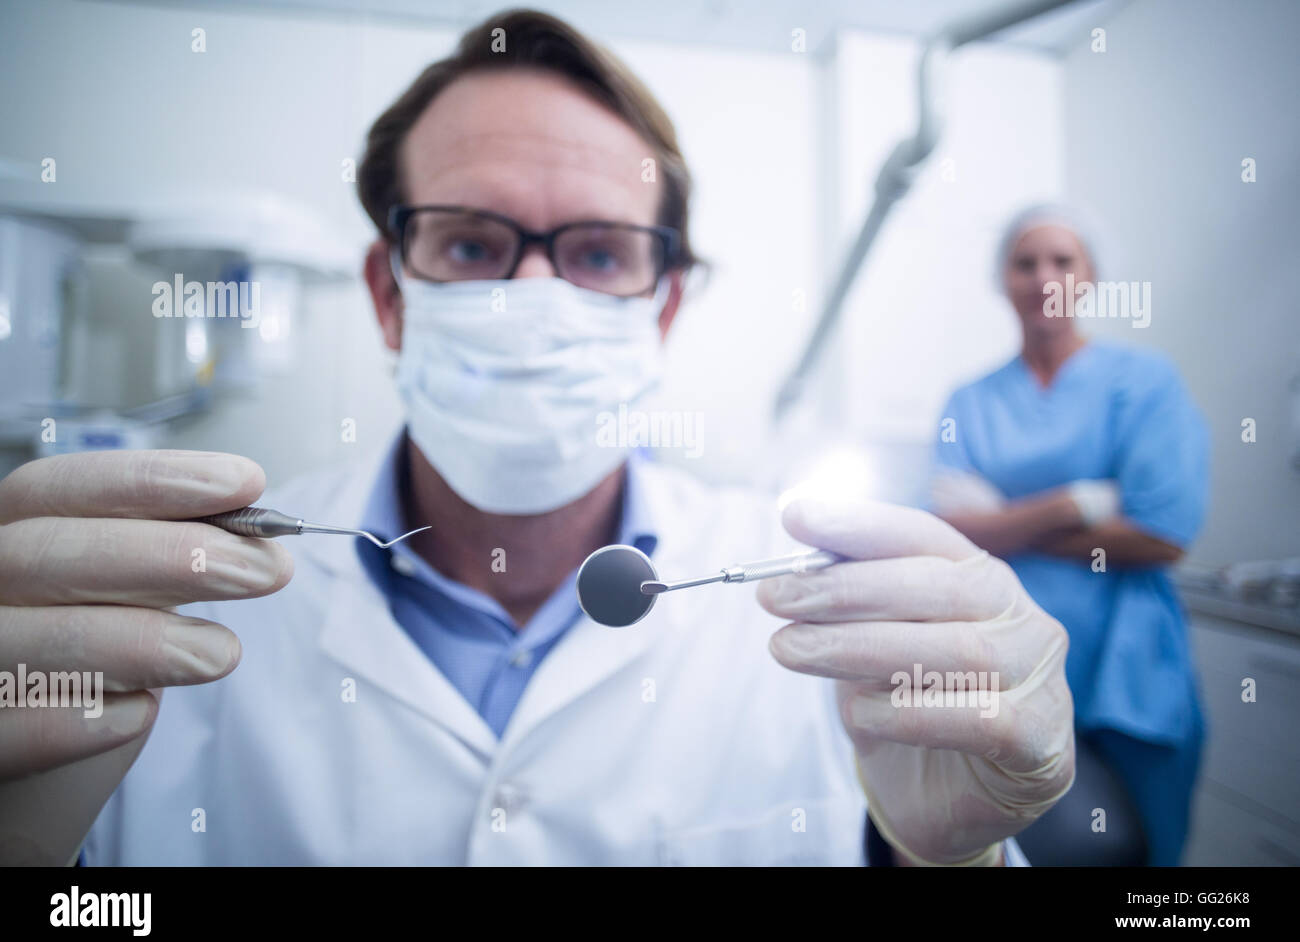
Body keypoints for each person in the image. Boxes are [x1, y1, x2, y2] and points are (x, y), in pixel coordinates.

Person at [0, 10, 1073, 867]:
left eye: (598, 254)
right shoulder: (176, 609)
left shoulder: (822, 611)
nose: (533, 293)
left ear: (662, 306)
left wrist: (940, 863)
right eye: (472, 241)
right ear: (388, 292)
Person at [929, 203, 1209, 866]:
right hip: (1002, 668)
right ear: (1004, 280)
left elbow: (1163, 533)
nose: (1042, 276)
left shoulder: (1144, 384)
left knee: (1139, 853)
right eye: (1025, 262)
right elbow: (947, 532)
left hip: (1128, 672)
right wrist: (1074, 502)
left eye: (1063, 260)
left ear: (1090, 277)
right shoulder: (969, 401)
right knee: (1022, 847)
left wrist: (1002, 522)